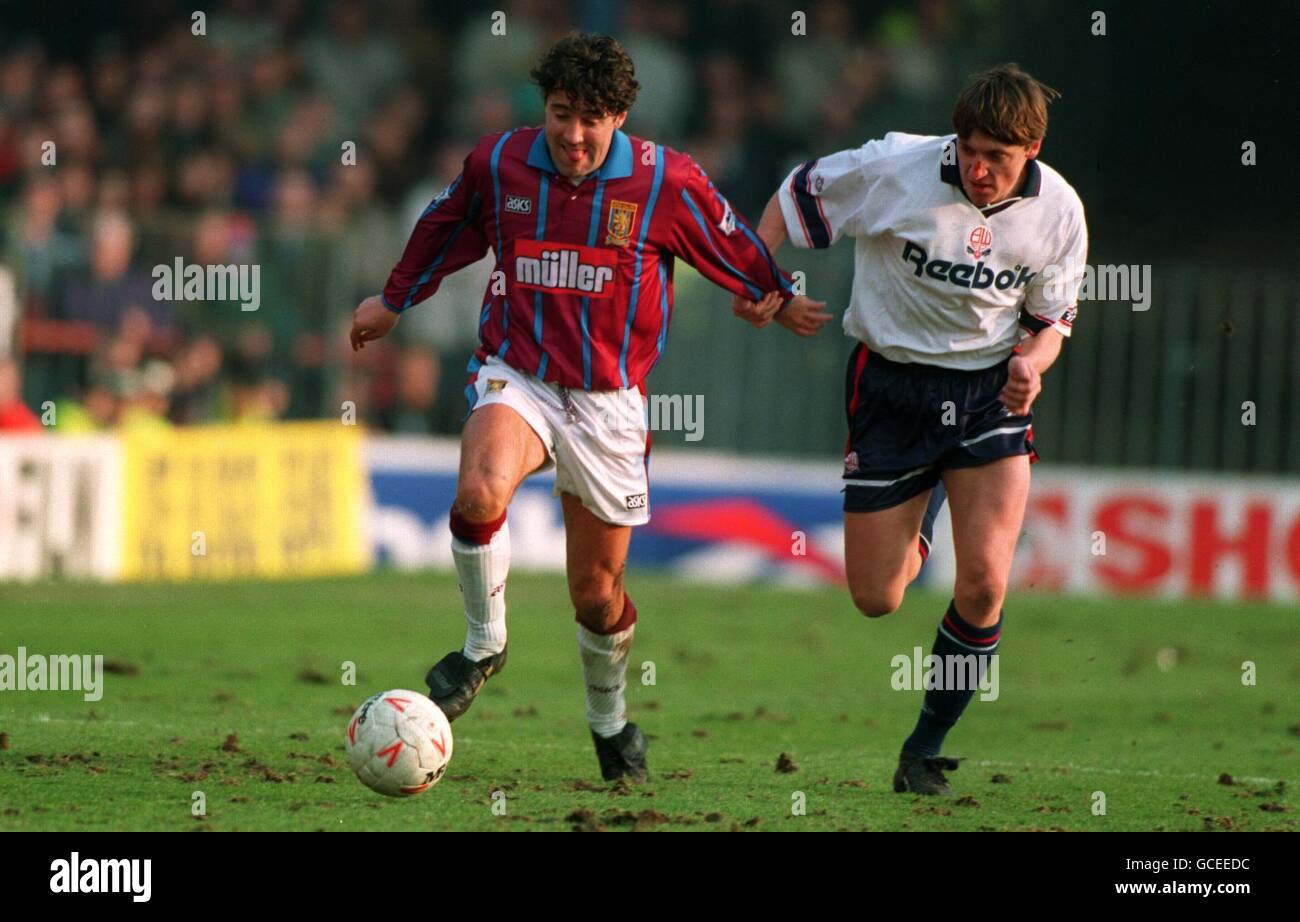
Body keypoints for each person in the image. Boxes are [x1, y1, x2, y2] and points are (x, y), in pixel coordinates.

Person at [349, 33, 828, 782]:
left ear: (621, 116)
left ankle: (610, 725)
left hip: (610, 405)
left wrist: (773, 292)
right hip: (519, 374)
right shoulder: (499, 163)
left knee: (597, 598)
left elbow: (729, 241)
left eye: (591, 119)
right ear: (544, 107)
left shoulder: (665, 179)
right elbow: (446, 227)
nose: (573, 135)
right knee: (478, 493)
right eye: (561, 113)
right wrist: (394, 299)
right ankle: (484, 644)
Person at [734, 64, 1087, 795]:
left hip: (989, 395)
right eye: (969, 150)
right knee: (878, 596)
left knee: (984, 586)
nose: (979, 169)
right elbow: (793, 196)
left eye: (997, 156)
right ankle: (926, 500)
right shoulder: (895, 166)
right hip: (891, 389)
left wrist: (1032, 364)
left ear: (1033, 148)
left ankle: (923, 751)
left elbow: (1051, 322)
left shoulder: (1060, 210)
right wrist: (759, 280)